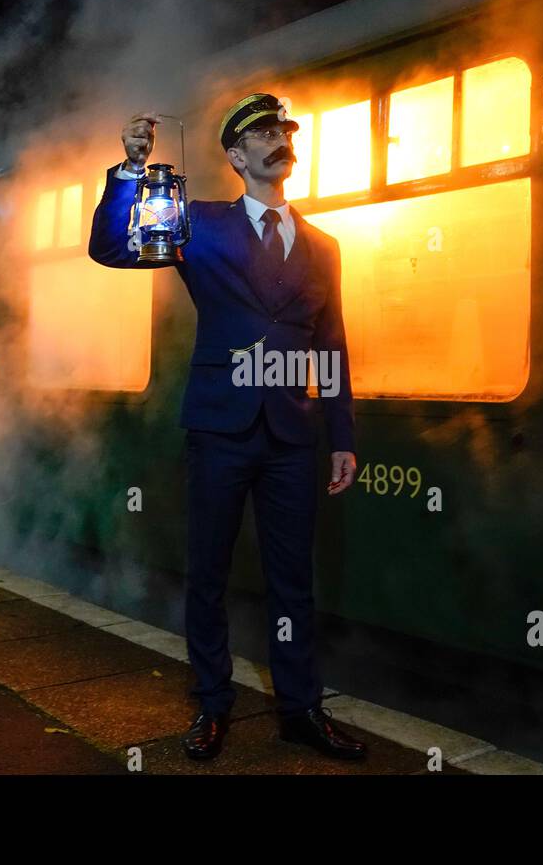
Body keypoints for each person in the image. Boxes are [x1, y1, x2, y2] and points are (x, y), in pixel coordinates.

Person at [88, 93, 366, 761]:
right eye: (264, 134)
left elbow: (331, 345)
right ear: (237, 157)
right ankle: (213, 705)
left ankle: (301, 709)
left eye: (284, 131)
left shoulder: (324, 247)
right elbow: (110, 249)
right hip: (219, 427)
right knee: (208, 571)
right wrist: (130, 171)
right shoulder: (198, 222)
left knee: (294, 579)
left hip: (292, 435)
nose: (279, 140)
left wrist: (344, 436)